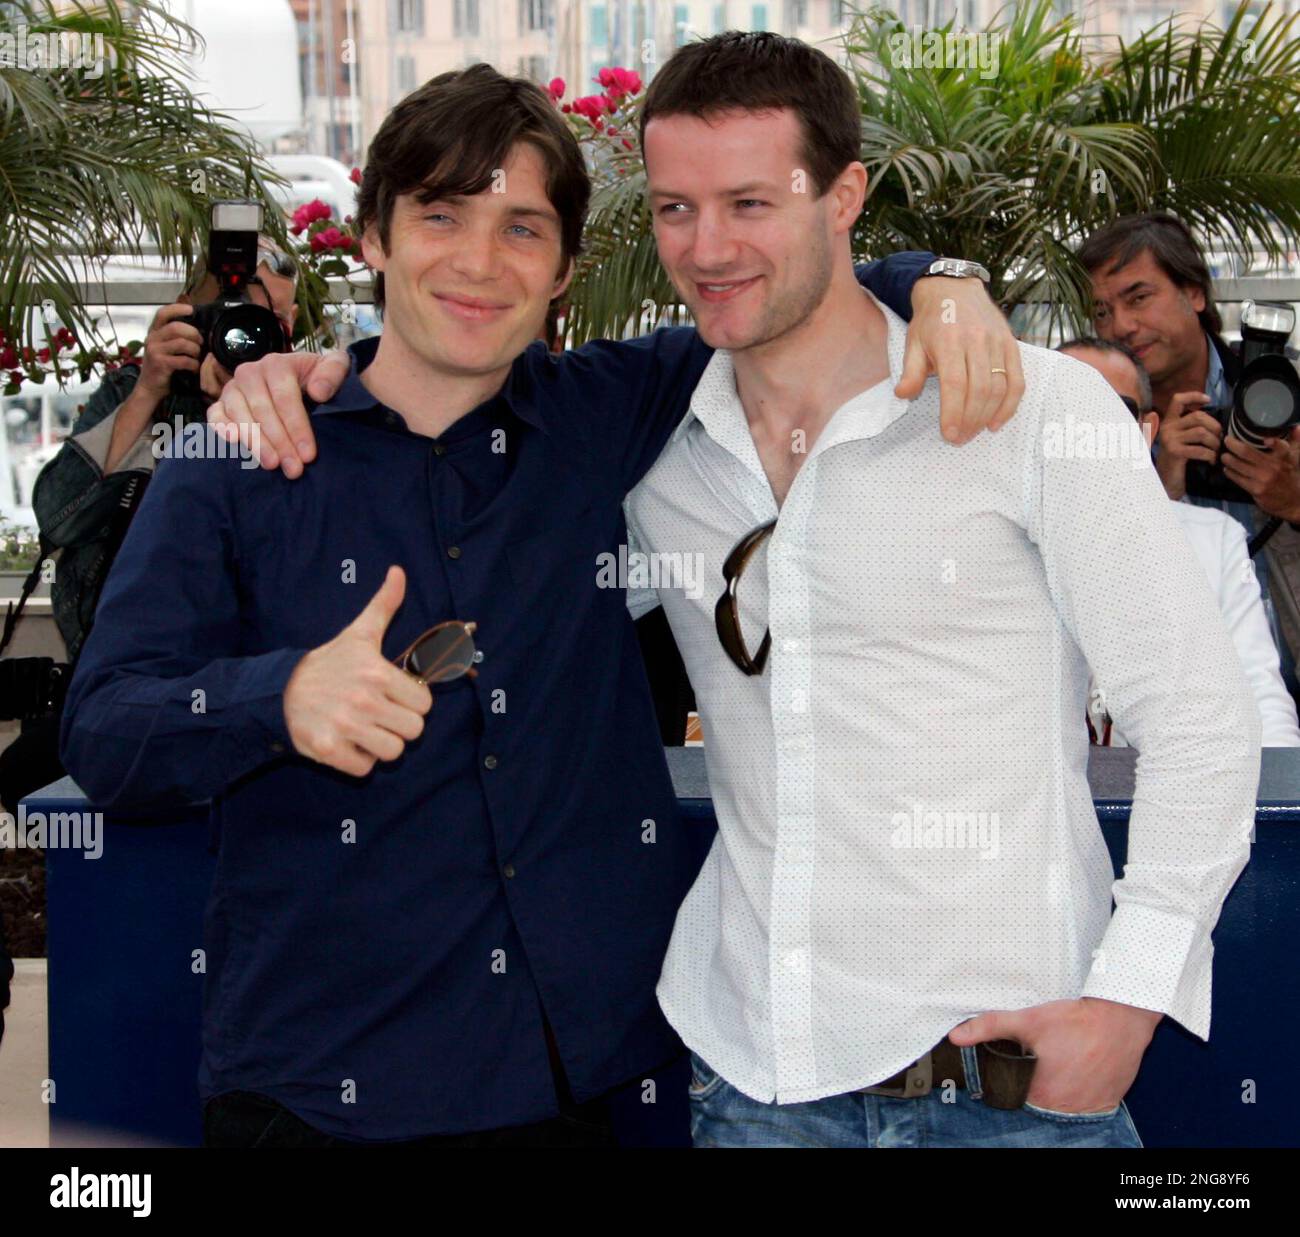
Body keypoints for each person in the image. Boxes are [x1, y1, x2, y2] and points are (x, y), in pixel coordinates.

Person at [61, 62, 1024, 1147]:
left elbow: (789, 282)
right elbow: (103, 729)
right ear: (372, 237)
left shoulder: (609, 413)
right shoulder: (242, 456)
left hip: (579, 1083)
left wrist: (943, 278)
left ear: (565, 267)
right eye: (440, 215)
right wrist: (276, 697)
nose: (478, 263)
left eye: (522, 229)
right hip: (322, 1091)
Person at [616, 33, 1258, 1148]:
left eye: (749, 203)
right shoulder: (651, 452)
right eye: (675, 208)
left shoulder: (1038, 411)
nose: (706, 247)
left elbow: (1199, 717)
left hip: (1007, 1098)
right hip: (752, 1084)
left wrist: (1128, 1002)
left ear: (844, 196)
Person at [0, 241, 298, 814]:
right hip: (131, 684)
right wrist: (149, 390)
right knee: (24, 774)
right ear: (188, 313)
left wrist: (238, 412)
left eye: (272, 322)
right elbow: (59, 521)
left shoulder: (301, 404)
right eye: (230, 317)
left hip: (249, 679)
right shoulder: (136, 393)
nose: (248, 336)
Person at [1080, 212, 1300, 695]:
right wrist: (1160, 485)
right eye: (1101, 311)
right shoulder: (1094, 420)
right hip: (1174, 699)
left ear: (1194, 294)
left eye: (1138, 298)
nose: (1121, 326)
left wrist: (1294, 502)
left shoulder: (1281, 391)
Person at [1057, 336, 1300, 747]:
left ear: (1145, 431)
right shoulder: (980, 540)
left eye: (1112, 411)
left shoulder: (1213, 540)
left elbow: (1260, 705)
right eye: (1061, 409)